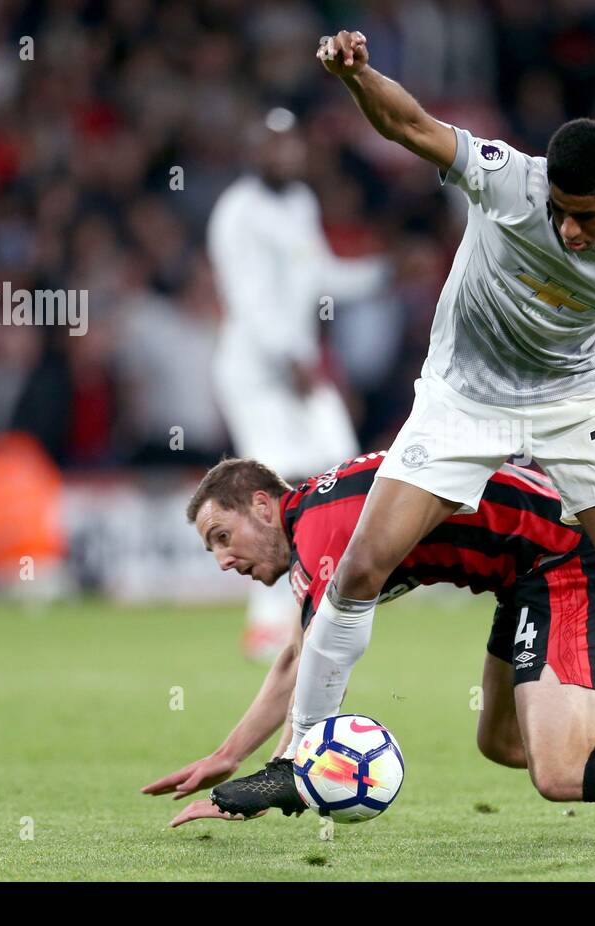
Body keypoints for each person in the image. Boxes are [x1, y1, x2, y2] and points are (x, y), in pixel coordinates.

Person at [280, 29, 595, 847]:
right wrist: (359, 78)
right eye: (561, 214)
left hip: (577, 397)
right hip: (463, 398)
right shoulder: (509, 181)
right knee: (362, 564)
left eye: (588, 217)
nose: (571, 232)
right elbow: (409, 125)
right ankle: (302, 753)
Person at [141, 454, 595, 849]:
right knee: (502, 737)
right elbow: (299, 658)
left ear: (264, 505)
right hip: (520, 574)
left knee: (558, 768)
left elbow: (327, 666)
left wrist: (276, 779)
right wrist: (229, 755)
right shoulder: (318, 527)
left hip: (560, 556)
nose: (222, 559)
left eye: (220, 536)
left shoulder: (322, 529)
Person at [207, 105, 389, 661]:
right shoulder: (236, 213)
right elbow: (247, 299)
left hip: (299, 370)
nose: (282, 154)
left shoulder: (301, 203)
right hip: (255, 374)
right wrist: (292, 355)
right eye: (271, 145)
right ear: (253, 151)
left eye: (290, 145)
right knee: (269, 490)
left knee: (339, 467)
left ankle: (326, 602)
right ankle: (266, 624)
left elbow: (321, 276)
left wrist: (381, 271)